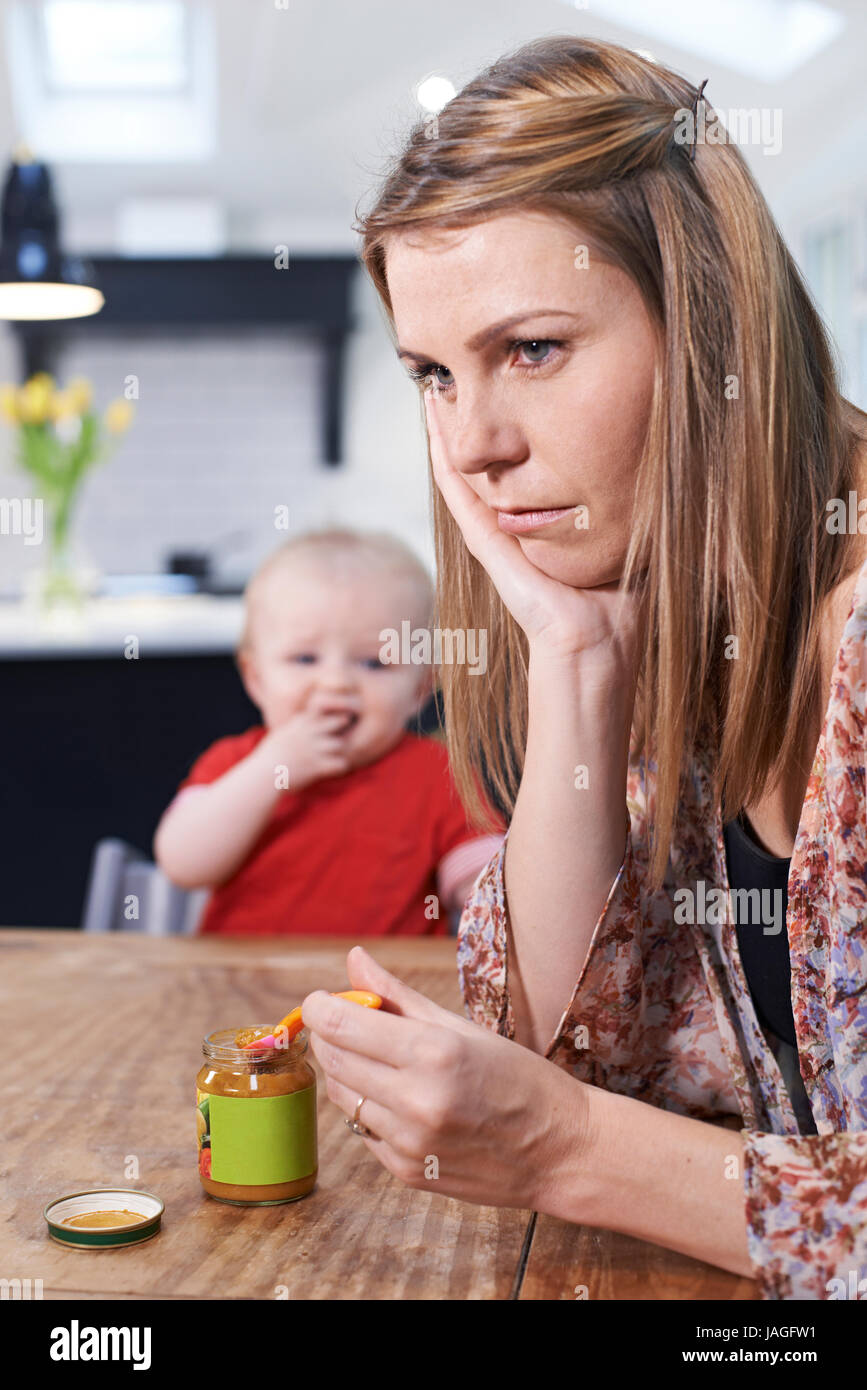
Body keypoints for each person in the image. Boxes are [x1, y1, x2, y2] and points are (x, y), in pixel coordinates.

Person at [295, 36, 867, 1301]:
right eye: (435, 374)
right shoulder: (667, 597)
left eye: (534, 350)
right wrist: (576, 656)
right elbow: (573, 1043)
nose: (477, 444)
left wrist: (563, 1147)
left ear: (712, 323)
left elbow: (561, 1115)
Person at [153, 529, 503, 935]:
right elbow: (181, 864)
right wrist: (270, 771)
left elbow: (491, 884)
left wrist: (484, 890)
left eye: (373, 664)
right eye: (305, 659)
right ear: (256, 679)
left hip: (377, 993)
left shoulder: (440, 775)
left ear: (421, 688)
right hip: (246, 988)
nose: (336, 682)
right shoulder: (236, 762)